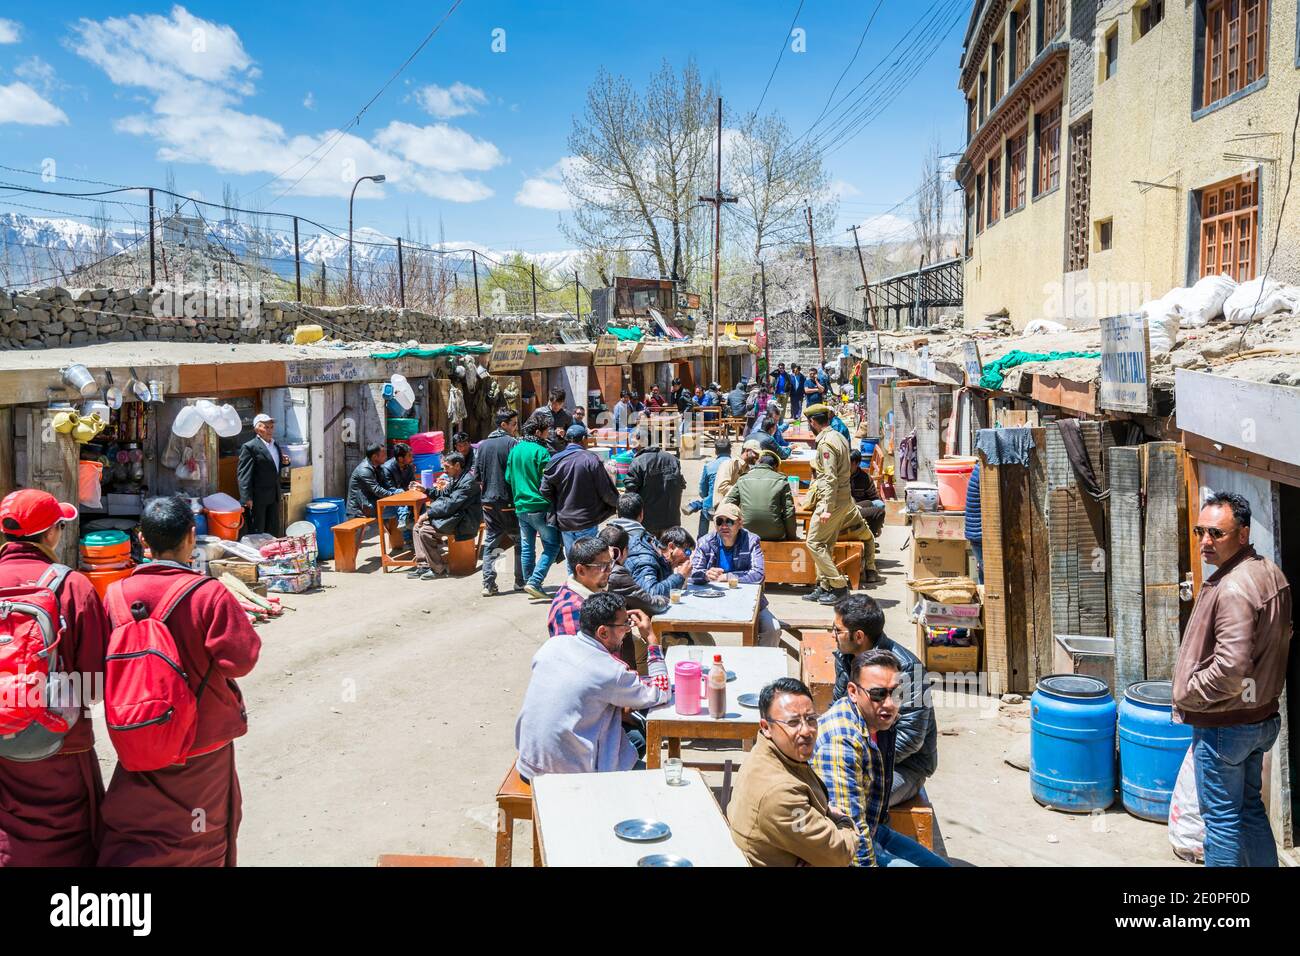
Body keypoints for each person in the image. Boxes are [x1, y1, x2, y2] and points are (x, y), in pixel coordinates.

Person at [97, 496, 261, 866]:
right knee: (202, 834)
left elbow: (101, 663)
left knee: (141, 828)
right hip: (202, 740)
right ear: (192, 536)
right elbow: (240, 660)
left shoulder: (116, 595)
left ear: (142, 541)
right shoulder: (208, 593)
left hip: (139, 734)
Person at [1173, 492, 1292, 868]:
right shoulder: (1269, 572)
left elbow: (1230, 666)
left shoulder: (1234, 588)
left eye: (1216, 534)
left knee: (1222, 822)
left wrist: (1190, 693)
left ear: (1243, 534)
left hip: (1227, 724)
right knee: (1249, 809)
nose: (1205, 542)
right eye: (1200, 531)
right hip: (1259, 719)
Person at [0, 489, 109, 866]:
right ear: (50, 534)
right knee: (73, 840)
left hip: (1, 740)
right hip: (63, 739)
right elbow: (94, 684)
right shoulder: (73, 586)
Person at [814, 649, 949, 867]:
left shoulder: (879, 719)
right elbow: (851, 834)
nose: (889, 703)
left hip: (874, 828)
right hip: (840, 846)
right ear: (852, 691)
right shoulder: (841, 744)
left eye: (896, 694)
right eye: (878, 694)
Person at [515, 593, 670, 780]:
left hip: (528, 764)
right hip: (569, 775)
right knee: (656, 777)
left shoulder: (553, 645)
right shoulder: (609, 671)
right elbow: (661, 691)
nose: (628, 631)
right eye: (625, 626)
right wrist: (652, 640)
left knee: (633, 736)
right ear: (603, 632)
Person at [727, 677, 857, 867]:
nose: (806, 731)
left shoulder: (767, 752)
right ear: (766, 727)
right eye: (793, 722)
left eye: (811, 719)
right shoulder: (781, 795)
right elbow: (840, 854)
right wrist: (845, 822)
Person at [832, 594, 937, 805]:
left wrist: (857, 760)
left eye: (838, 630)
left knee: (851, 799)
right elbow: (836, 708)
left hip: (903, 766)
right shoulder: (846, 658)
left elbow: (910, 737)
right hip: (855, 752)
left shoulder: (908, 670)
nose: (833, 635)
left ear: (859, 636)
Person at [803, 404, 873, 605]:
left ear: (813, 422)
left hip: (832, 500)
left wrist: (826, 507)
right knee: (826, 543)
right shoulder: (839, 436)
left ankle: (839, 586)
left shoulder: (826, 444)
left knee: (814, 542)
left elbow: (829, 478)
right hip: (842, 498)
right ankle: (824, 585)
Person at [689, 503, 783, 646]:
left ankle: (760, 664)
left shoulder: (751, 541)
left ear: (740, 523)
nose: (724, 526)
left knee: (773, 629)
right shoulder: (705, 542)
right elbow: (693, 573)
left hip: (747, 602)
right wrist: (706, 574)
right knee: (684, 625)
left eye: (730, 521)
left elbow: (758, 574)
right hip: (710, 603)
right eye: (720, 521)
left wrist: (728, 577)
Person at [540, 423, 619, 571]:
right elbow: (606, 491)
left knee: (572, 560)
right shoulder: (590, 459)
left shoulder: (556, 459)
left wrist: (559, 501)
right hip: (586, 520)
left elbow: (544, 489)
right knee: (587, 562)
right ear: (583, 439)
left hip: (564, 521)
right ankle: (585, 592)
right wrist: (618, 504)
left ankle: (572, 590)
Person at [506, 411, 563, 601]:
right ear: (538, 432)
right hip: (540, 506)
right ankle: (535, 581)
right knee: (552, 545)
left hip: (521, 506)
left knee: (527, 546)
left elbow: (508, 477)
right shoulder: (541, 452)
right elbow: (550, 481)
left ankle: (528, 581)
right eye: (547, 431)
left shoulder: (515, 450)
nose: (549, 435)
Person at [600, 522, 671, 672]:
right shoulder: (616, 573)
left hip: (601, 637)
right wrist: (667, 599)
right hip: (614, 642)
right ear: (620, 551)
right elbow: (651, 603)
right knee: (646, 653)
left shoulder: (595, 569)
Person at [409, 451, 482, 580]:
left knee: (425, 531)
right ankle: (424, 565)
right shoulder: (456, 478)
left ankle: (438, 569)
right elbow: (443, 495)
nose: (444, 470)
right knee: (417, 527)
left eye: (447, 467)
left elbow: (450, 504)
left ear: (457, 465)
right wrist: (426, 490)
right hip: (455, 516)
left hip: (465, 521)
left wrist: (428, 514)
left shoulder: (467, 483)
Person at [477, 409, 525, 597]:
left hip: (488, 501)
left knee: (492, 542)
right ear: (503, 425)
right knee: (519, 541)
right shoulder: (512, 444)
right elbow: (516, 473)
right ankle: (520, 581)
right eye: (513, 424)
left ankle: (488, 584)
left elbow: (478, 476)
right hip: (508, 500)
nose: (515, 427)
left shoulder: (482, 445)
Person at [546, 536, 614, 637]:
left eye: (610, 563)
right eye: (603, 566)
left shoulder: (593, 588)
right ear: (581, 570)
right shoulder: (572, 611)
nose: (609, 570)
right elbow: (576, 651)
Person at [725, 447, 796, 541]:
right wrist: (792, 537)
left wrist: (732, 530)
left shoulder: (743, 479)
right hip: (774, 533)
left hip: (746, 532)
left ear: (758, 463)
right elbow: (789, 511)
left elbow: (729, 504)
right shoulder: (781, 480)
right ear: (775, 467)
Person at [236, 412, 287, 536]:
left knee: (273, 528)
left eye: (271, 427)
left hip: (273, 494)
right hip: (258, 496)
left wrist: (285, 462)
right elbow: (244, 474)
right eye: (266, 427)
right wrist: (246, 498)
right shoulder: (250, 447)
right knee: (258, 529)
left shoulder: (274, 444)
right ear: (257, 429)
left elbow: (272, 465)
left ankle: (271, 553)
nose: (269, 430)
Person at [623, 439, 686, 535]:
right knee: (669, 548)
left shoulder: (637, 462)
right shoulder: (672, 459)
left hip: (648, 522)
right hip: (672, 519)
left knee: (651, 548)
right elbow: (681, 485)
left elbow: (630, 490)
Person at [847, 450, 884, 586]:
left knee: (877, 506)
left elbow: (874, 498)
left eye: (849, 463)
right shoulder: (840, 476)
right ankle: (870, 569)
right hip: (846, 512)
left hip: (860, 508)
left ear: (856, 463)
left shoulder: (864, 477)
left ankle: (873, 532)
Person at [684, 439, 731, 537]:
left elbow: (702, 491)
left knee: (706, 504)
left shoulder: (709, 466)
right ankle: (696, 505)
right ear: (730, 451)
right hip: (730, 509)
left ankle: (701, 539)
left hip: (711, 509)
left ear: (716, 451)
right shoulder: (736, 465)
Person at [346, 442, 403, 519]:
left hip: (371, 503)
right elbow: (377, 490)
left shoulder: (378, 467)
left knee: (400, 493)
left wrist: (397, 493)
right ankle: (405, 520)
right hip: (360, 509)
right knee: (398, 506)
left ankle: (403, 520)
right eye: (383, 455)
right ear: (375, 457)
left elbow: (385, 485)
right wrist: (393, 496)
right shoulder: (364, 470)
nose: (386, 457)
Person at [382, 441, 417, 546]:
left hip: (404, 500)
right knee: (399, 495)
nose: (412, 458)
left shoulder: (409, 467)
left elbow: (411, 483)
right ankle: (408, 537)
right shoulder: (387, 468)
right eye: (409, 456)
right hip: (387, 504)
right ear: (401, 458)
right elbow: (389, 490)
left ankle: (414, 535)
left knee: (419, 503)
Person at [965, 461, 983, 584]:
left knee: (984, 571)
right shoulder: (985, 472)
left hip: (976, 533)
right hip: (980, 533)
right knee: (989, 574)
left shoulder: (979, 469)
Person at [545, 388, 573, 453]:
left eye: (559, 404)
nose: (556, 406)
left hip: (561, 452)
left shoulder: (567, 415)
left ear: (563, 402)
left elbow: (571, 436)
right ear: (550, 401)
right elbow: (527, 430)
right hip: (544, 451)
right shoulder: (540, 413)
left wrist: (564, 434)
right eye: (554, 403)